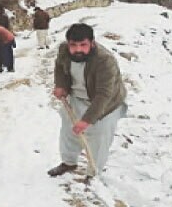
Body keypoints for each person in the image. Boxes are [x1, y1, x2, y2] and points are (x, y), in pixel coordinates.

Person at [48, 23, 127, 177]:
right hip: (77, 97)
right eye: (73, 45)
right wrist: (61, 85)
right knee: (69, 131)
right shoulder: (64, 50)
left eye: (83, 45)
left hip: (106, 104)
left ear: (92, 43)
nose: (78, 49)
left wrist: (86, 121)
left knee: (99, 137)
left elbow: (104, 94)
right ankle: (68, 162)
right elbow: (60, 67)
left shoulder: (105, 60)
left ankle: (93, 172)